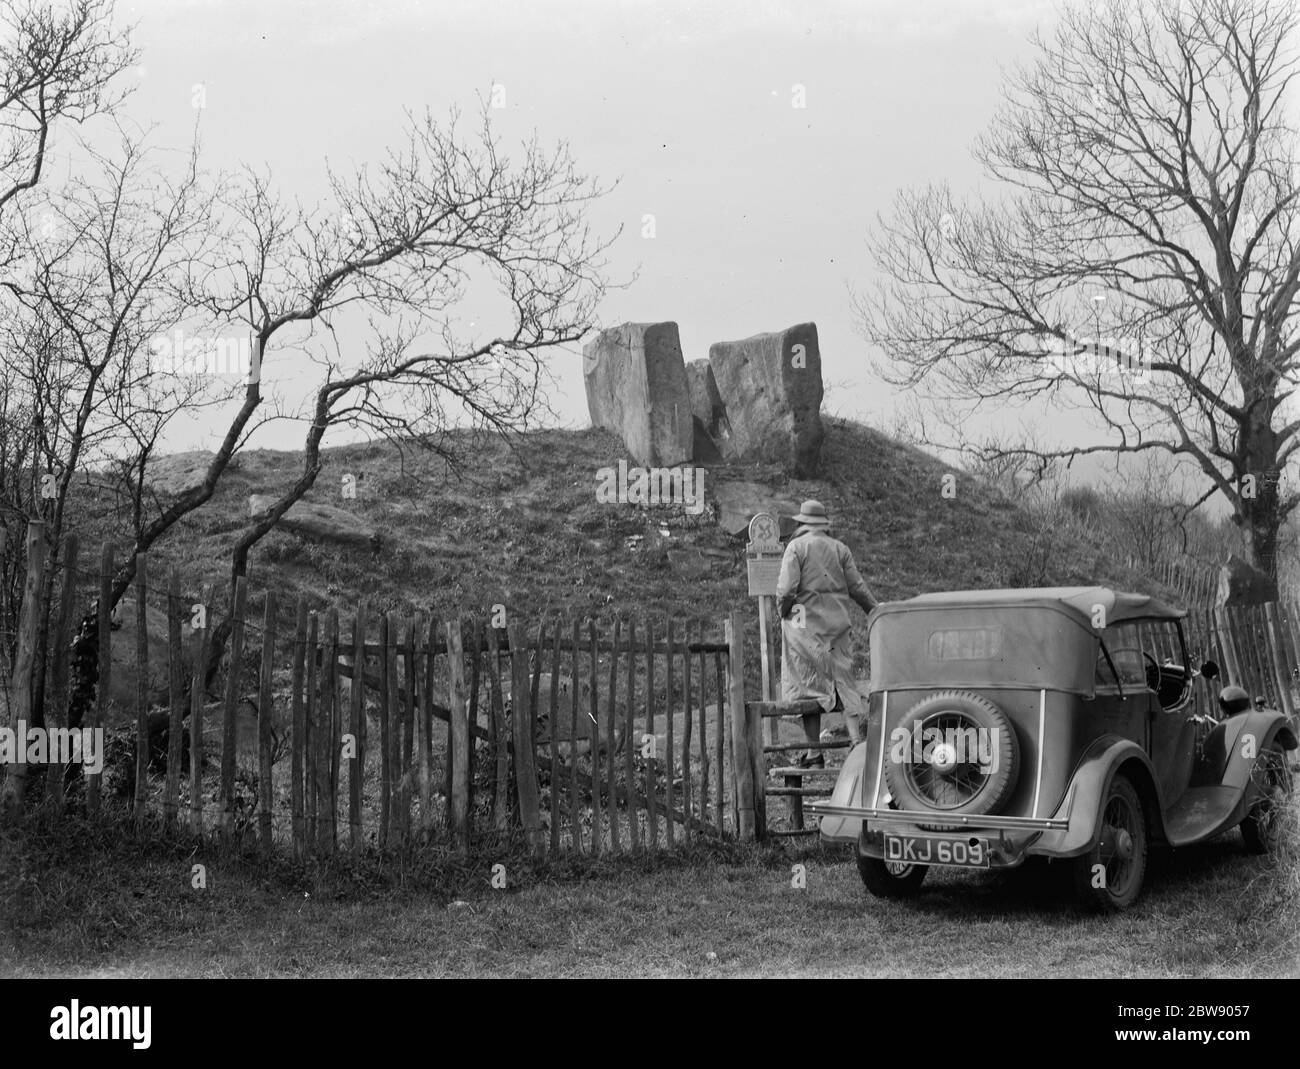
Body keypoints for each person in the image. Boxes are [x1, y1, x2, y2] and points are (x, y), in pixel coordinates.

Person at [775, 500, 877, 767]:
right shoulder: (840, 549)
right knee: (843, 679)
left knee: (806, 684)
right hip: (837, 627)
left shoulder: (796, 547)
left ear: (802, 523)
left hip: (805, 627)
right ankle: (856, 746)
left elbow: (787, 591)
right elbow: (857, 587)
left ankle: (814, 752)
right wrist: (875, 610)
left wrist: (783, 611)